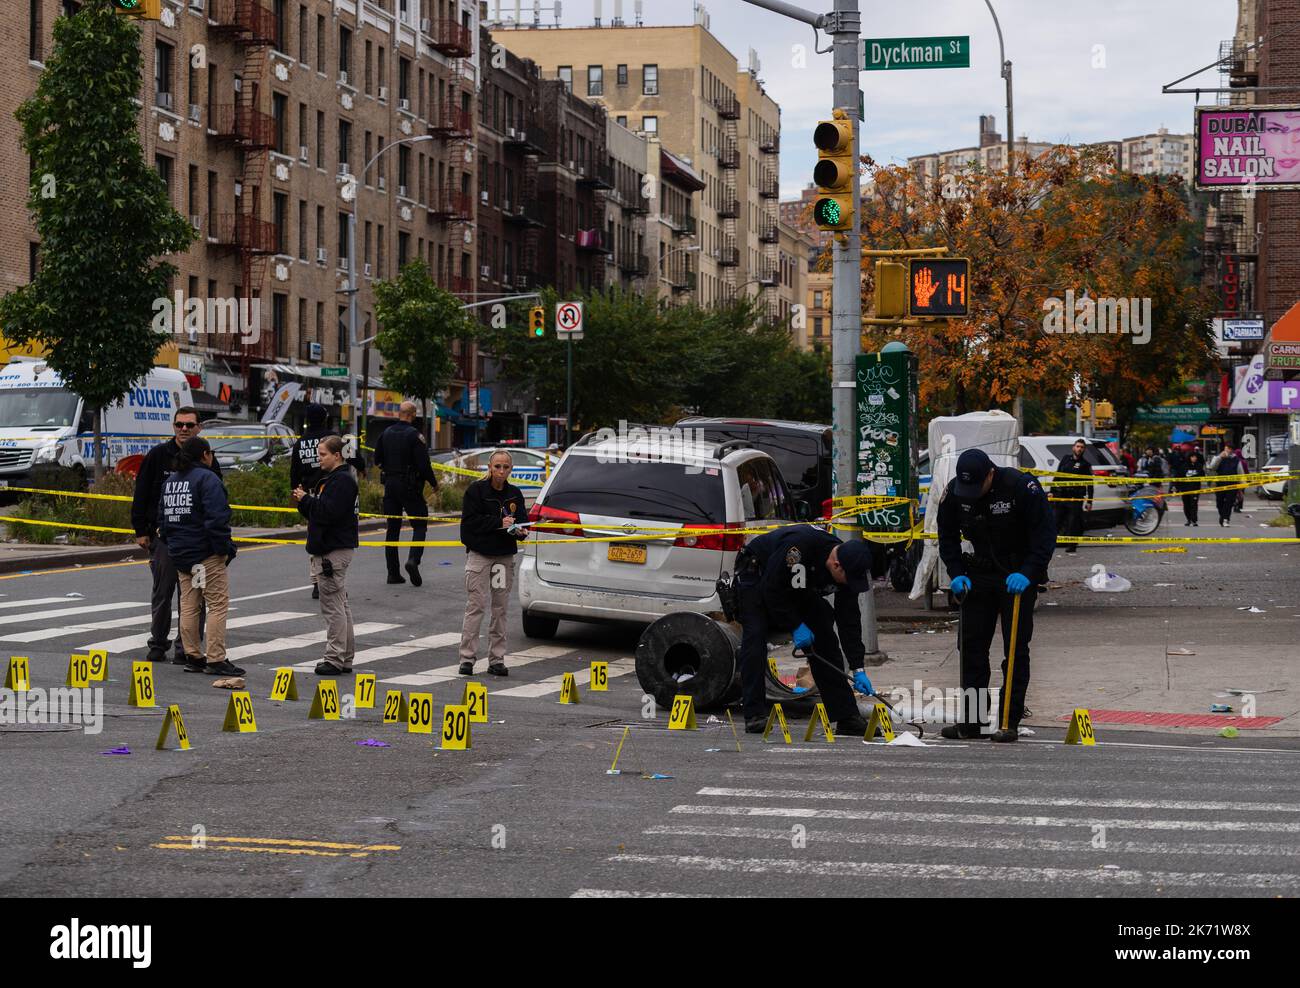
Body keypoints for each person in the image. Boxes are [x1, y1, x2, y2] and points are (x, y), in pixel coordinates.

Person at [937, 449, 1056, 743]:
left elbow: (1045, 534)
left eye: (978, 486)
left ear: (990, 473)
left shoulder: (1020, 487)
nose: (973, 494)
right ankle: (972, 722)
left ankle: (1008, 721)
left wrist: (1029, 572)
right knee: (972, 648)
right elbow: (947, 535)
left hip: (1016, 575)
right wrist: (955, 572)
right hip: (977, 575)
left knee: (1014, 651)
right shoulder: (955, 492)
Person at [732, 525, 874, 736]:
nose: (849, 585)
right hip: (758, 577)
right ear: (836, 566)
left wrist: (858, 668)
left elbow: (849, 622)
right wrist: (795, 625)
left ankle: (846, 716)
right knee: (756, 635)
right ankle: (754, 714)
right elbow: (772, 590)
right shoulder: (799, 548)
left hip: (796, 588)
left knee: (825, 635)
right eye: (849, 579)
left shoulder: (848, 570)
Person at [130, 407, 222, 665]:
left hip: (196, 542)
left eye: (189, 425)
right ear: (173, 426)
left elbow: (217, 494)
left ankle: (187, 649)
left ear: (198, 428)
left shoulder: (206, 458)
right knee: (162, 593)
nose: (184, 429)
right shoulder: (158, 455)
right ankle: (158, 643)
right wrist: (140, 530)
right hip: (164, 538)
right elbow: (142, 493)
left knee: (193, 598)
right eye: (179, 424)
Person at [157, 437, 242, 676]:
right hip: (206, 554)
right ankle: (216, 658)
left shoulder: (171, 482)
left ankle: (192, 655)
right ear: (205, 455)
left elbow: (162, 521)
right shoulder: (208, 479)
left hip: (182, 554)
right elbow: (217, 519)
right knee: (216, 605)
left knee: (189, 605)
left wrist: (174, 544)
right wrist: (224, 549)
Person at [458, 450, 529, 677]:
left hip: (503, 557)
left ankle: (496, 659)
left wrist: (520, 532)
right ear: (489, 467)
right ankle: (467, 659)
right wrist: (498, 522)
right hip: (480, 555)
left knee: (500, 609)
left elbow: (522, 524)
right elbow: (469, 524)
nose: (500, 471)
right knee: (475, 606)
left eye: (505, 467)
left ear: (511, 469)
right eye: (497, 466)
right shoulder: (476, 491)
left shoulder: (515, 494)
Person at [293, 436, 359, 675]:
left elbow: (327, 513)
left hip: (332, 551)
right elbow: (318, 513)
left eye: (322, 454)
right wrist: (304, 502)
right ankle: (345, 657)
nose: (318, 458)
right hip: (332, 547)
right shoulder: (335, 479)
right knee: (340, 605)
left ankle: (334, 658)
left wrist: (307, 500)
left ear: (337, 455)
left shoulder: (341, 481)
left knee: (333, 607)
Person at [373, 400, 439, 586]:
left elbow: (377, 459)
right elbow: (424, 465)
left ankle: (393, 573)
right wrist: (434, 484)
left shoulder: (385, 433)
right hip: (409, 486)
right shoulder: (414, 435)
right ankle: (413, 560)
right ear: (412, 415)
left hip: (390, 485)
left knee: (392, 529)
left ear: (399, 413)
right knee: (419, 524)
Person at [290, 404, 339, 600]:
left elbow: (294, 474)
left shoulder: (300, 443)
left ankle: (317, 581)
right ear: (324, 418)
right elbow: (351, 457)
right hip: (332, 492)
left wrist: (296, 495)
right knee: (334, 538)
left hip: (309, 496)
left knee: (315, 535)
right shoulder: (332, 439)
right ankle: (329, 577)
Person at [1053, 439, 1091, 555]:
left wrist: (1089, 500)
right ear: (1073, 447)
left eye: (1082, 447)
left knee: (1073, 522)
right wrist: (1052, 490)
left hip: (1076, 497)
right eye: (1078, 446)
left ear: (1084, 449)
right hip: (1063, 495)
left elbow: (1090, 483)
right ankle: (1050, 543)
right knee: (1056, 520)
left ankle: (1072, 545)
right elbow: (1057, 475)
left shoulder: (1085, 465)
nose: (1079, 449)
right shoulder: (1065, 459)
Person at [1209, 443, 1244, 527]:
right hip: (1220, 483)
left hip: (1232, 484)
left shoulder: (1236, 460)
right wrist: (1219, 458)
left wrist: (1242, 486)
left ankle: (1226, 519)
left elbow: (1240, 472)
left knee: (1229, 502)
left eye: (1228, 449)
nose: (1226, 451)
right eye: (1225, 449)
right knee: (1219, 502)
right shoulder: (1219, 457)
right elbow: (1212, 467)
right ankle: (1222, 516)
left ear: (1231, 450)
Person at [1175, 449, 1206, 526]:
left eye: (1195, 457)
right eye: (1192, 457)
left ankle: (1194, 520)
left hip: (1195, 488)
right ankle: (1188, 519)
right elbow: (1178, 477)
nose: (1194, 458)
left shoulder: (1199, 466)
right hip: (1185, 488)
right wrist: (1177, 487)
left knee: (1194, 504)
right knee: (1186, 504)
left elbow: (1203, 476)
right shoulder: (1183, 466)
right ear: (1189, 457)